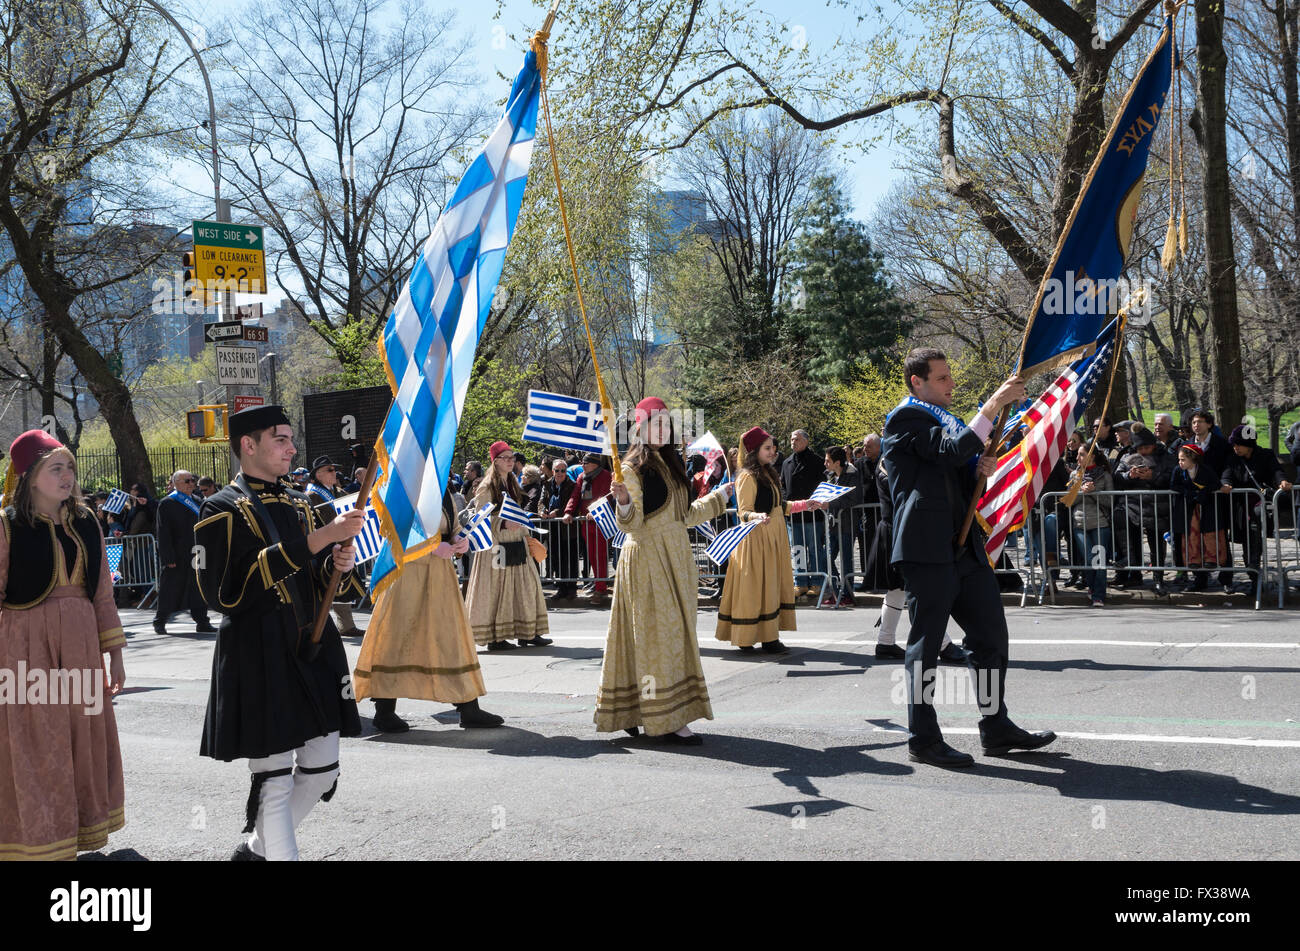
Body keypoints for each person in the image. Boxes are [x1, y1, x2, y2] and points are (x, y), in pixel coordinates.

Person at [194, 405, 366, 861]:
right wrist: (318, 541)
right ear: (248, 446)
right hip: (259, 650)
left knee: (322, 770)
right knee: (273, 781)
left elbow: (327, 581)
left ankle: (254, 849)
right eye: (280, 439)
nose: (292, 448)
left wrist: (336, 566)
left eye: (291, 439)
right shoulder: (220, 508)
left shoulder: (305, 502)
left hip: (314, 644)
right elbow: (223, 593)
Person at [882, 347, 1056, 768]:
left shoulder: (949, 420)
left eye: (948, 376)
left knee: (990, 637)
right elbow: (947, 451)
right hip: (927, 548)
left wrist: (979, 467)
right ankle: (922, 738)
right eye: (941, 378)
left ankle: (995, 726)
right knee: (925, 648)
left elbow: (957, 459)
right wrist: (994, 404)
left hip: (963, 547)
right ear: (916, 383)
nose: (950, 384)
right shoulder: (905, 419)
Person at [0, 431, 127, 861]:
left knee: (81, 742)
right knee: (38, 745)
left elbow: (103, 594)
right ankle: (39, 842)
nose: (67, 476)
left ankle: (72, 838)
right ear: (30, 477)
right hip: (25, 649)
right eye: (57, 468)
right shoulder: (5, 526)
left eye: (70, 467)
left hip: (82, 645)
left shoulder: (86, 522)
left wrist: (116, 655)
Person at [595, 397, 733, 744]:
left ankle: (638, 711)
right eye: (654, 423)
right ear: (639, 428)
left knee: (668, 635)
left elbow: (683, 516)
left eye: (665, 423)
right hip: (648, 560)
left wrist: (719, 497)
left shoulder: (672, 464)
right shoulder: (629, 469)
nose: (661, 429)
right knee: (658, 637)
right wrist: (623, 502)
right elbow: (631, 524)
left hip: (675, 559)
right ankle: (665, 718)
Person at [354, 481, 504, 733]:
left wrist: (458, 538)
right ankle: (384, 709)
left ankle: (468, 706)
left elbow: (449, 524)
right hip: (407, 574)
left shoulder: (441, 482)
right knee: (398, 636)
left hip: (439, 574)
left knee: (451, 636)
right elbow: (393, 527)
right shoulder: (405, 477)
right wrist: (434, 546)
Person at [715, 427, 821, 653]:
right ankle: (747, 638)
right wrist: (756, 516)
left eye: (773, 448)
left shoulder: (768, 473)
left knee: (770, 588)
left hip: (773, 539)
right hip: (755, 541)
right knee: (754, 590)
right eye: (768, 448)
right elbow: (743, 512)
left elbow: (779, 507)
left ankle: (769, 637)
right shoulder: (746, 476)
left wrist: (806, 504)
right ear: (754, 450)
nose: (773, 452)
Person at [465, 441, 551, 651]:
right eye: (506, 458)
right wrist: (503, 522)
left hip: (516, 539)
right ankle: (496, 637)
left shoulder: (513, 482)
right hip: (497, 543)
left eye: (512, 458)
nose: (511, 461)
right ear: (495, 461)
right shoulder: (487, 486)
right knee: (498, 588)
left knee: (526, 584)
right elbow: (480, 516)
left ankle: (528, 632)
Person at [1218, 424, 1292, 591]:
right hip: (1241, 507)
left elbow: (1276, 471)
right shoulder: (1233, 458)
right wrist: (1226, 483)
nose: (1235, 447)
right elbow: (1226, 474)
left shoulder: (1265, 455)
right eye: (1234, 444)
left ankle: (1254, 572)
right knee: (1247, 539)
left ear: (1249, 444)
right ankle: (1253, 574)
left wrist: (1282, 481)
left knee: (1253, 532)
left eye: (1238, 444)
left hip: (1260, 504)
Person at [302, 456, 364, 639]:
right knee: (327, 588)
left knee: (341, 585)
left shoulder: (338, 491)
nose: (334, 473)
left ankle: (346, 624)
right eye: (329, 470)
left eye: (334, 469)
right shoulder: (311, 496)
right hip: (322, 549)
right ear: (317, 475)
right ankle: (318, 626)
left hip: (339, 545)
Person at [1112, 428, 1175, 594]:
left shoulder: (1165, 456)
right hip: (1134, 505)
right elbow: (1117, 477)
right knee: (1128, 532)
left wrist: (1152, 476)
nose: (1143, 451)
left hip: (1157, 505)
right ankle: (1134, 570)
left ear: (1153, 445)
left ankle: (1158, 579)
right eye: (1140, 449)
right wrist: (1130, 476)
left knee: (1156, 544)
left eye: (1146, 448)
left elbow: (1172, 477)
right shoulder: (1128, 457)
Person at [153, 469, 215, 635]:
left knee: (199, 587)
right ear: (176, 483)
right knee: (170, 587)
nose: (192, 484)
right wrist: (167, 556)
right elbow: (163, 532)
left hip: (198, 550)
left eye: (192, 480)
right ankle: (160, 621)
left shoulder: (198, 500)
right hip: (177, 553)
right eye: (187, 481)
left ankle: (202, 621)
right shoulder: (167, 503)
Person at [1171, 443, 1225, 591]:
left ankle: (1211, 560)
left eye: (1183, 460)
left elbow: (1215, 484)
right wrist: (1187, 492)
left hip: (1206, 508)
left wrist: (1204, 493)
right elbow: (1174, 485)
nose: (1180, 462)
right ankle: (1194, 564)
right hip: (1187, 510)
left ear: (1193, 459)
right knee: (1191, 536)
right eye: (1179, 459)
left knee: (1208, 535)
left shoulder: (1205, 470)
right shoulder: (1177, 471)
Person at [781, 429, 827, 600]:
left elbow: (823, 486)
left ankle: (816, 582)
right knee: (797, 550)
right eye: (792, 439)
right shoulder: (787, 463)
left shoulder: (817, 461)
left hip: (812, 515)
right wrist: (787, 502)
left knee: (815, 549)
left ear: (806, 441)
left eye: (797, 439)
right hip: (794, 515)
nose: (794, 442)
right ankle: (800, 582)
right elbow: (783, 486)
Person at [563, 452, 613, 606]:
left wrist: (596, 511)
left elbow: (608, 496)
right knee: (591, 556)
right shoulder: (581, 477)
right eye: (582, 462)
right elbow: (575, 495)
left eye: (585, 463)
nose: (582, 466)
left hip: (601, 521)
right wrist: (568, 512)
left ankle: (600, 588)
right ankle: (599, 585)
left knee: (600, 555)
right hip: (586, 521)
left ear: (594, 464)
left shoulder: (606, 476)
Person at [1070, 447, 1114, 607]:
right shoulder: (1075, 475)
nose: (1077, 458)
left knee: (1099, 559)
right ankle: (1092, 586)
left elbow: (1109, 501)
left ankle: (1098, 595)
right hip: (1080, 523)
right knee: (1089, 559)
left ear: (1092, 456)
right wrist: (1079, 491)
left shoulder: (1105, 475)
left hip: (1100, 522)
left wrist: (1094, 492)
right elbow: (1069, 501)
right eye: (1077, 454)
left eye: (1081, 454)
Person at [822, 445, 862, 606]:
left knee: (846, 560)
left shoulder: (852, 475)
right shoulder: (830, 476)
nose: (825, 464)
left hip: (847, 523)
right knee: (826, 558)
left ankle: (847, 594)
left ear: (837, 462)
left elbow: (854, 499)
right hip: (833, 524)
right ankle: (836, 591)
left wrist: (830, 503)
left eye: (828, 461)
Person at [541, 460, 579, 600]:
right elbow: (541, 501)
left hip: (568, 528)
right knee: (557, 558)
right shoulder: (546, 484)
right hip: (553, 528)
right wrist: (542, 511)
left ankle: (572, 589)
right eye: (557, 470)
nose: (560, 473)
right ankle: (561, 588)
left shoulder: (573, 485)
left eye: (563, 470)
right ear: (552, 471)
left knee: (570, 558)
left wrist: (557, 512)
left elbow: (572, 504)